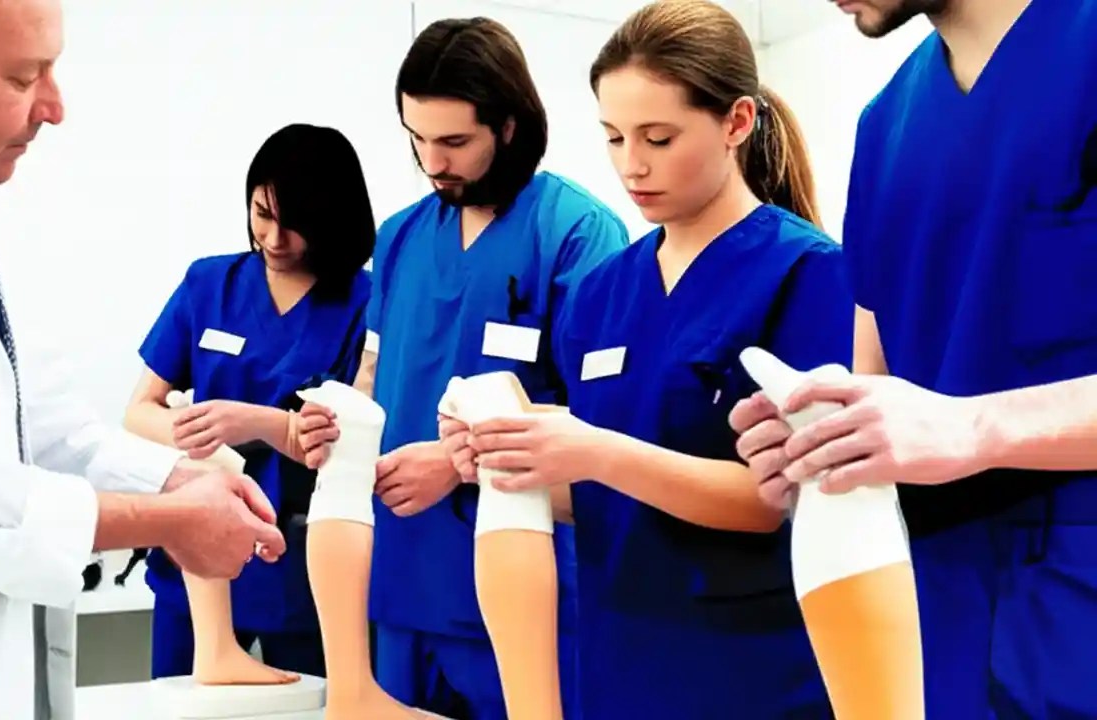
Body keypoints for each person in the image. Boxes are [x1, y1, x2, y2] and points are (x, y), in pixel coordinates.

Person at [0, 1, 284, 718]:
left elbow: (34, 421)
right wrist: (169, 522)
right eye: (24, 76)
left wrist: (173, 477)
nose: (56, 108)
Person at [440, 2, 852, 717]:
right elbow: (604, 495)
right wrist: (515, 456)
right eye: (613, 137)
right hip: (618, 662)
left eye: (659, 138)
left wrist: (592, 450)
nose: (632, 164)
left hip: (750, 673)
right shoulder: (603, 294)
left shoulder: (805, 274)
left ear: (737, 123)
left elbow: (771, 501)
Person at [728, 0, 1097, 716]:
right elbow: (874, 379)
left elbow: (949, 425)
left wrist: (971, 429)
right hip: (934, 611)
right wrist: (820, 444)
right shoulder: (885, 125)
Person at [295, 16, 629, 720]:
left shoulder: (575, 234)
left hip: (521, 589)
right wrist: (336, 423)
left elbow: (603, 426)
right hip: (402, 582)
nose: (432, 162)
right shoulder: (402, 237)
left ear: (508, 127)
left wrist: (453, 461)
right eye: (417, 140)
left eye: (453, 142)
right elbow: (373, 374)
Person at [123, 122, 375, 684]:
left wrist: (261, 424)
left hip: (302, 568)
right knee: (184, 700)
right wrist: (201, 436)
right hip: (194, 556)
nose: (275, 238)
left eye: (296, 224)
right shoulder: (210, 283)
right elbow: (140, 411)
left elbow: (357, 439)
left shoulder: (367, 303)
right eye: (263, 214)